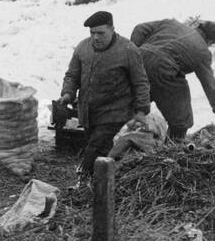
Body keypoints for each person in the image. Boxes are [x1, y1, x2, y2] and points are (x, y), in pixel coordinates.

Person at [59, 10, 152, 183]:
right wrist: (67, 93)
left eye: (100, 33)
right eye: (92, 33)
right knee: (103, 151)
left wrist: (141, 111)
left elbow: (141, 82)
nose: (96, 37)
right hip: (89, 113)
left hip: (116, 113)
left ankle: (82, 181)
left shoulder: (128, 50)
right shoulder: (82, 48)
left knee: (93, 149)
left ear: (112, 29)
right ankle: (105, 185)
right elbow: (72, 75)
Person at [130, 18, 215, 141]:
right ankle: (171, 153)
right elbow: (210, 85)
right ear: (210, 41)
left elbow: (140, 28)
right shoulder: (202, 51)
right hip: (164, 70)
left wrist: (134, 54)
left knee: (130, 103)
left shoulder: (172, 23)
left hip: (140, 60)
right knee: (182, 120)